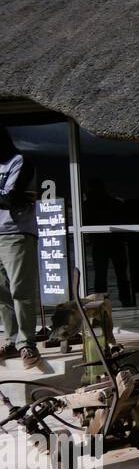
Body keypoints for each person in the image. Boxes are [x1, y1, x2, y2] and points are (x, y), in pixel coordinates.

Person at [0, 128, 40, 369]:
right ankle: (11, 340)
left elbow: (10, 197)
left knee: (20, 291)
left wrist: (6, 196)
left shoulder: (20, 161)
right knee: (2, 293)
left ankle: (27, 343)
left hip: (16, 233)